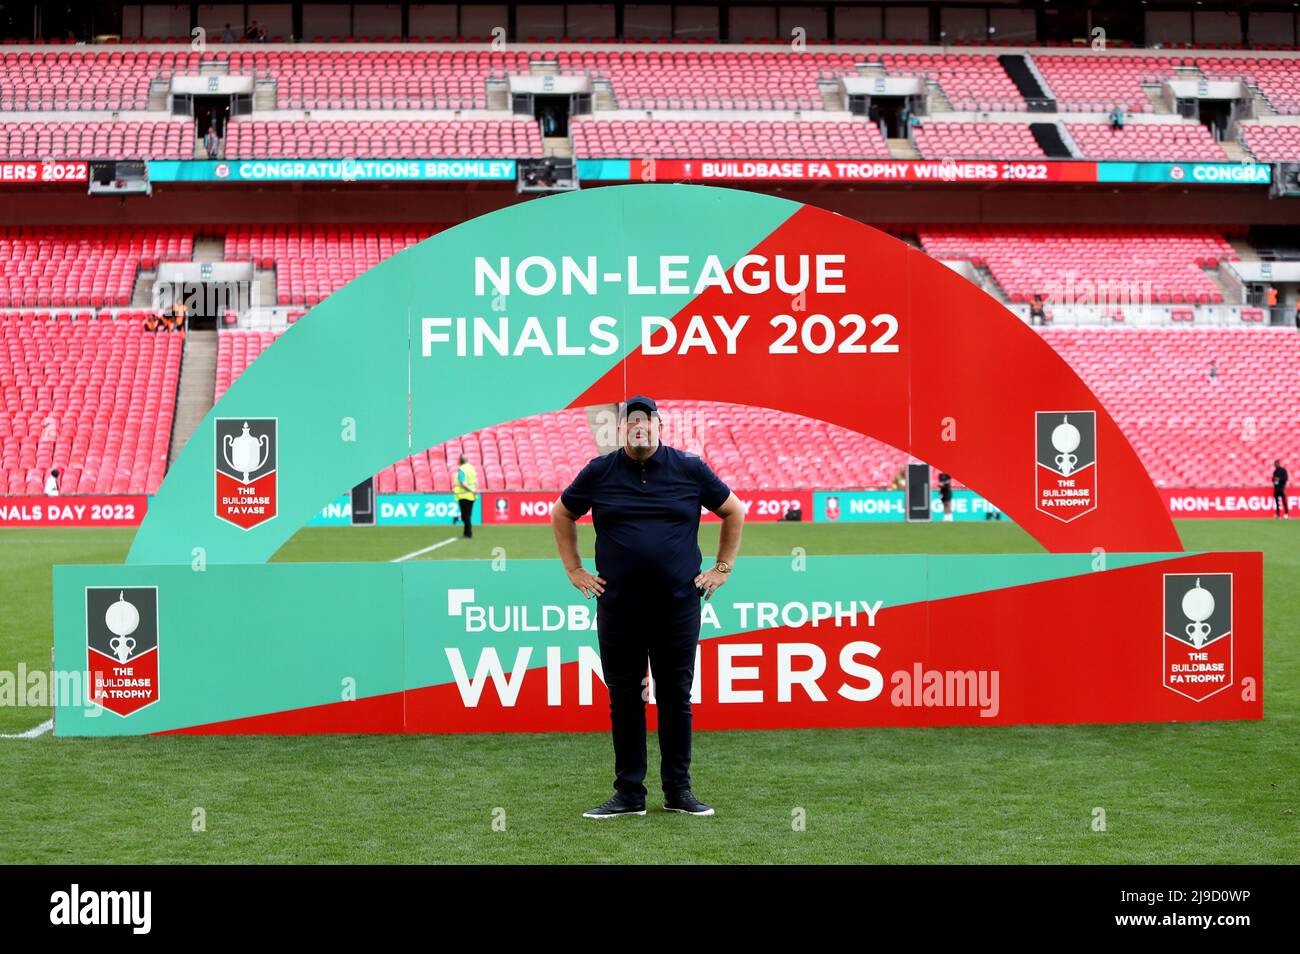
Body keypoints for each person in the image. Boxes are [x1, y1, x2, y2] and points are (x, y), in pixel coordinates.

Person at [552, 396, 744, 819]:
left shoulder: (688, 468)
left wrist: (722, 569)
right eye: (631, 420)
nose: (639, 426)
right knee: (624, 699)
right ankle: (629, 794)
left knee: (675, 697)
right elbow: (563, 514)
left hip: (677, 606)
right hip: (619, 607)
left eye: (647, 419)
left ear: (659, 425)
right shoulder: (599, 472)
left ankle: (679, 791)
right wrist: (574, 569)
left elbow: (733, 510)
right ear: (621, 429)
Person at [452, 453, 477, 537]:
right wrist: (473, 491)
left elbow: (463, 483)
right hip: (471, 496)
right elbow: (475, 481)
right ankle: (467, 532)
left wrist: (471, 490)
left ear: (460, 461)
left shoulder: (462, 469)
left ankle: (468, 533)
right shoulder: (472, 468)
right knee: (467, 515)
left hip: (464, 496)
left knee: (465, 516)